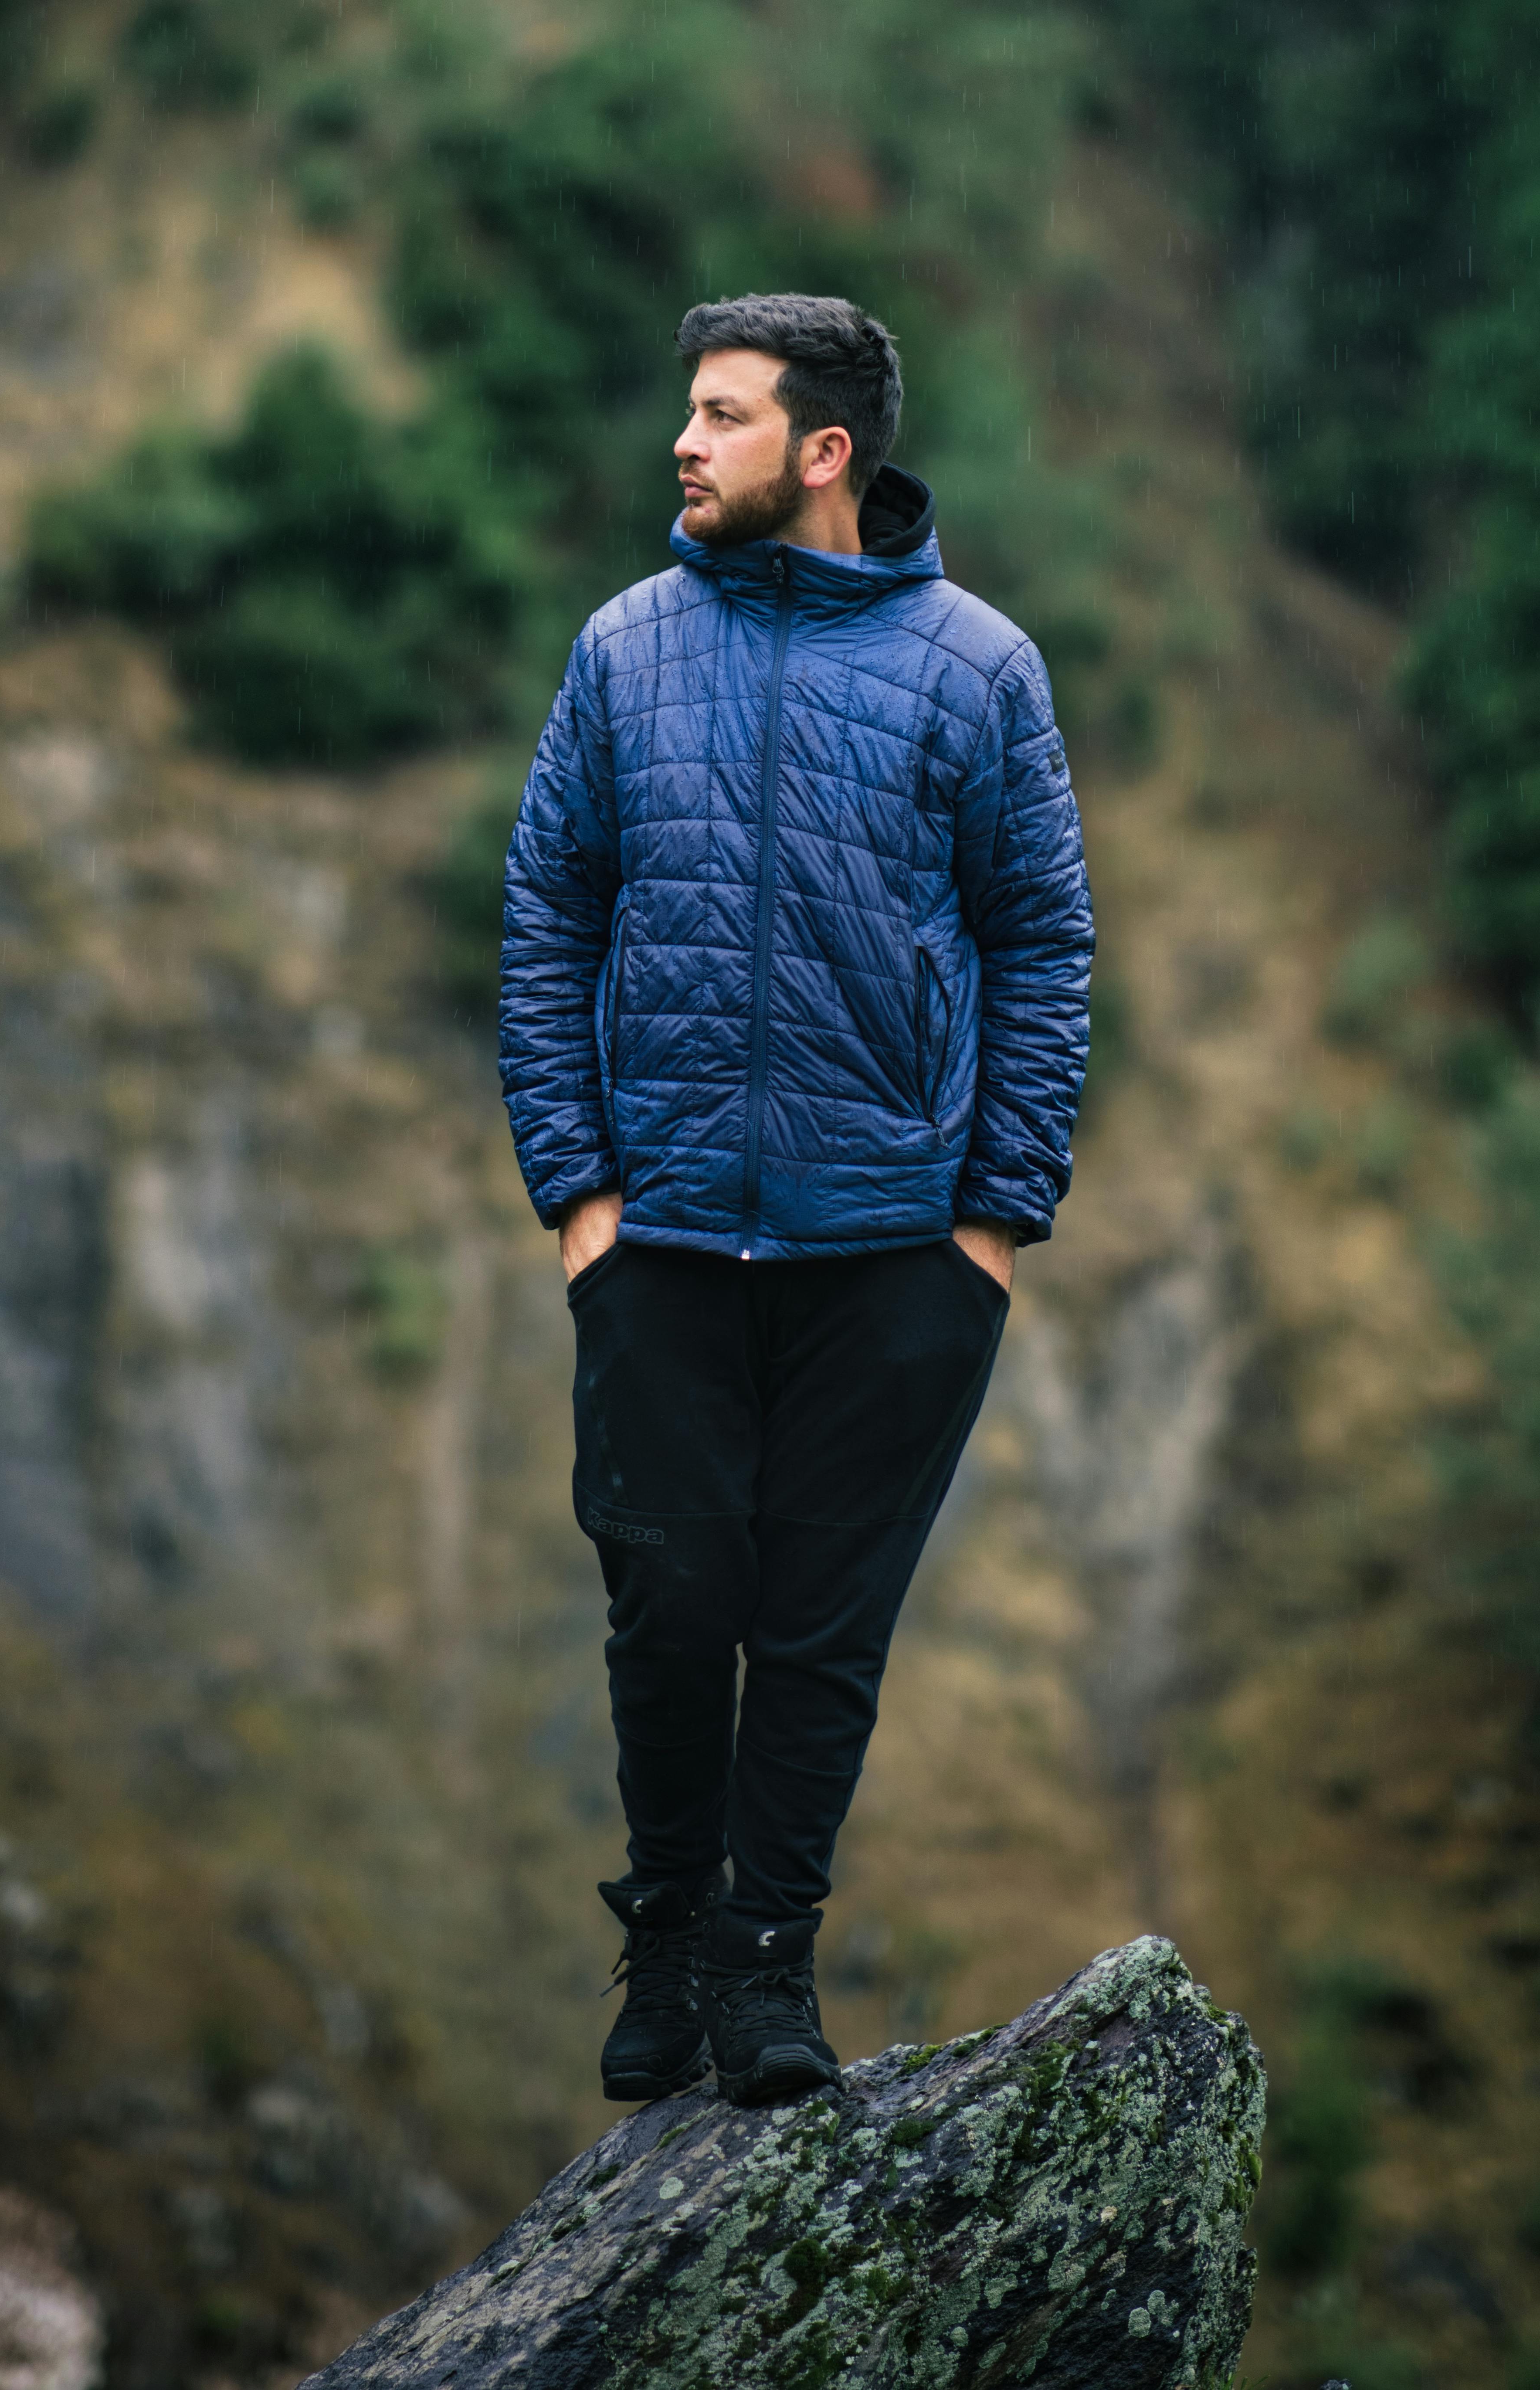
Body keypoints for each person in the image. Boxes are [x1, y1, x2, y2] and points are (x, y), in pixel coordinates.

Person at [499, 292, 1094, 2108]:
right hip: (664, 1235)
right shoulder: (621, 650)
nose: (684, 443)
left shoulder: (980, 668)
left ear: (823, 451)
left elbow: (1043, 939)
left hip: (897, 1249)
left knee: (822, 1630)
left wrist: (991, 1224)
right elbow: (548, 918)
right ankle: (669, 1928)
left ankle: (770, 1960)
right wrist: (580, 1195)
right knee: (670, 1606)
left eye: (723, 414)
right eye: (688, 409)